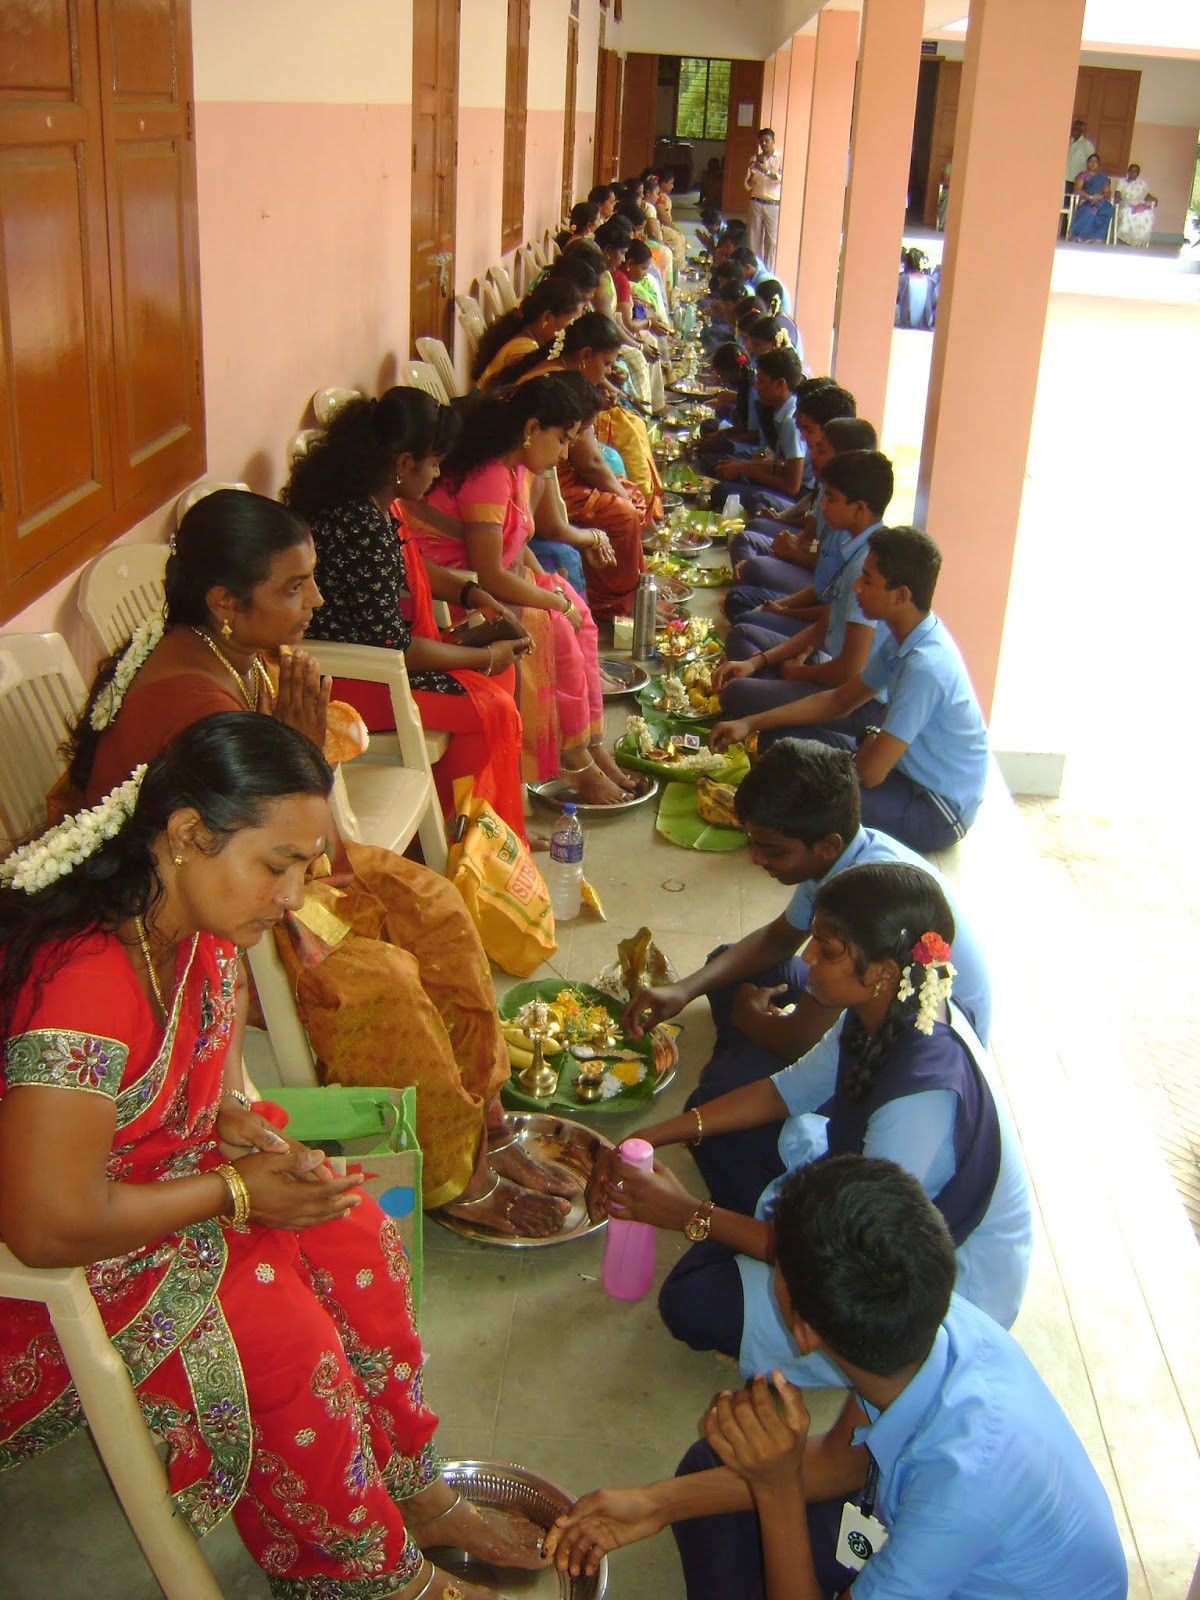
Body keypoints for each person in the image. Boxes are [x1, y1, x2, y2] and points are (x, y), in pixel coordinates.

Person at [0, 715, 554, 1600]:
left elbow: (182, 1089)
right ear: (188, 835)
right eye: (277, 865)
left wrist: (236, 1129)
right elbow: (44, 1224)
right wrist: (232, 1193)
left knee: (354, 1224)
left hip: (156, 1189)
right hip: (66, 1260)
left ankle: (411, 1488)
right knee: (280, 1331)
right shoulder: (86, 983)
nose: (295, 896)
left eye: (306, 866)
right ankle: (363, 1574)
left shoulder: (200, 929)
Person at [71, 490, 570, 1231]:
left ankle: (484, 1118)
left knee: (435, 904)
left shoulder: (236, 653)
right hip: (199, 910)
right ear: (225, 602)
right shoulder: (195, 701)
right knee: (382, 983)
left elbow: (310, 844)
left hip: (272, 862)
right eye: (294, 587)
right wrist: (304, 756)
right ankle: (450, 1175)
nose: (317, 600)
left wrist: (304, 763)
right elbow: (264, 858)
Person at [547, 1155, 1127, 1600]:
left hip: (959, 1547)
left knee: (754, 1495)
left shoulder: (959, 1491)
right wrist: (655, 1504)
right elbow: (844, 1462)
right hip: (936, 1531)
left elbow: (913, 1492)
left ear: (802, 1329)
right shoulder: (924, 1318)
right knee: (712, 1466)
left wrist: (776, 1489)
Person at [594, 862, 1031, 1380]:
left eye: (826, 950)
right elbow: (786, 1090)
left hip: (911, 1288)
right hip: (852, 1196)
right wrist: (652, 1134)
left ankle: (749, 1242)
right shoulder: (880, 1007)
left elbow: (848, 1256)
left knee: (692, 1300)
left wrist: (689, 1213)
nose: (807, 958)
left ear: (881, 973)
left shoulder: (918, 1107)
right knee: (716, 1111)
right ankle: (751, 1232)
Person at [622, 741, 991, 1214]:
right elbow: (781, 940)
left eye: (770, 849)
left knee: (724, 1089)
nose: (755, 859)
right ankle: (751, 1047)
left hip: (907, 1029)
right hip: (885, 999)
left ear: (828, 846)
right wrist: (683, 990)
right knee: (727, 964)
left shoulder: (913, 1093)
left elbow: (799, 1046)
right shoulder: (846, 866)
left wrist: (754, 1020)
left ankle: (747, 1056)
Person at [282, 387, 530, 838]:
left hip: (380, 660)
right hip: (356, 680)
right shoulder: (359, 525)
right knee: (489, 702)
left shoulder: (372, 501)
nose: (437, 474)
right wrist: (483, 656)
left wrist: (472, 593)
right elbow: (398, 650)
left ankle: (465, 819)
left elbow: (410, 562)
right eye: (434, 463)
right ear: (403, 463)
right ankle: (459, 833)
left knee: (501, 677)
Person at [409, 376, 634, 804]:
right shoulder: (491, 476)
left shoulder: (515, 469)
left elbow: (517, 544)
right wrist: (554, 602)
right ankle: (574, 762)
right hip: (453, 595)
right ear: (531, 429)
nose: (565, 454)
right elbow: (490, 575)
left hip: (483, 583)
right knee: (555, 627)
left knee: (580, 617)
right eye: (562, 439)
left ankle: (589, 747)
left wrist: (554, 591)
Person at [712, 527, 990, 853]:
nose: (856, 587)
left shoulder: (925, 667)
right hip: (898, 769)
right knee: (780, 743)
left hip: (932, 807)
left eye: (867, 581)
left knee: (799, 791)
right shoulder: (904, 637)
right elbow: (838, 700)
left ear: (901, 596)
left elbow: (870, 774)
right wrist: (749, 723)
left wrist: (865, 743)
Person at [496, 315, 653, 615]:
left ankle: (635, 587)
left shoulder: (537, 450)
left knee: (624, 487)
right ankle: (615, 600)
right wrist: (593, 537)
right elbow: (546, 526)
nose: (567, 451)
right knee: (623, 513)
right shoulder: (520, 465)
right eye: (566, 439)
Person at [718, 452, 893, 708]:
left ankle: (770, 698)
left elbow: (849, 671)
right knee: (742, 635)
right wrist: (757, 661)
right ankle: (769, 690)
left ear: (859, 509)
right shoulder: (855, 546)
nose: (823, 506)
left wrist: (798, 672)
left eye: (831, 499)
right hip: (823, 656)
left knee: (736, 692)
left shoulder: (867, 565)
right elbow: (824, 626)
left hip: (853, 697)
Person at [712, 347, 808, 516]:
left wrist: (744, 470)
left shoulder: (790, 422)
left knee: (723, 490)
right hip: (787, 482)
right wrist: (744, 466)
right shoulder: (782, 411)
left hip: (799, 498)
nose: (756, 387)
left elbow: (792, 487)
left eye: (761, 382)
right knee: (724, 467)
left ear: (780, 384)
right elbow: (783, 466)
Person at [471, 273, 585, 389]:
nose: (573, 331)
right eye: (571, 324)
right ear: (547, 318)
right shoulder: (524, 349)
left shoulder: (525, 334)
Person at [745, 128, 783, 268]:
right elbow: (748, 186)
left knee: (771, 242)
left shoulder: (780, 159)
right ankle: (755, 269)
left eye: (767, 141)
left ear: (773, 141)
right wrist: (751, 173)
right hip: (756, 202)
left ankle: (768, 272)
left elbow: (779, 179)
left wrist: (765, 170)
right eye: (761, 142)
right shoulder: (755, 159)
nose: (764, 144)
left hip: (773, 204)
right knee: (753, 240)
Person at [1069, 153, 1114, 243]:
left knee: (1108, 209)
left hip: (1100, 201)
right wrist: (1090, 197)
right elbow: (1077, 190)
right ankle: (1082, 235)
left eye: (1095, 162)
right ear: (1087, 163)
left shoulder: (1103, 178)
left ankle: (1096, 236)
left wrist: (1101, 196)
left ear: (1098, 164)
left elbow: (1107, 192)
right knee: (1089, 210)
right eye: (1091, 161)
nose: (1093, 164)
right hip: (1086, 200)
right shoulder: (1082, 175)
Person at [1114, 162, 1157, 247]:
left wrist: (1154, 199)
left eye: (1135, 171)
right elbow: (1118, 193)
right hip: (1126, 204)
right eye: (1131, 171)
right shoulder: (1122, 182)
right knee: (1128, 212)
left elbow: (1146, 196)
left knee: (1147, 213)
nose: (1133, 173)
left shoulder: (1141, 184)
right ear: (1128, 172)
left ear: (1138, 173)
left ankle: (1138, 240)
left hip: (1139, 204)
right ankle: (1125, 239)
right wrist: (1121, 199)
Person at [1066, 116, 1096, 193]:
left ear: (1082, 131)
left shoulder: (1087, 145)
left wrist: (1088, 178)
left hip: (1078, 181)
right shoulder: (1068, 142)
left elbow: (1092, 162)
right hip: (1065, 179)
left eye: (1077, 128)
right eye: (1073, 128)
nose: (1074, 130)